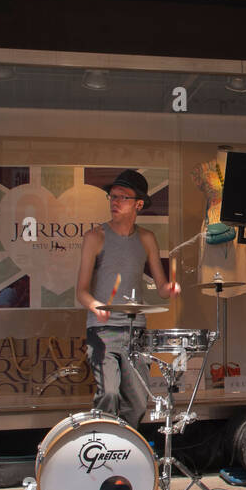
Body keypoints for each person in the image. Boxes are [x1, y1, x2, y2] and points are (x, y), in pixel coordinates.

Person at [75, 170, 179, 424]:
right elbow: (81, 291)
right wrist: (95, 305)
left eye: (123, 197)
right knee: (109, 393)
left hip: (136, 330)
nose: (115, 202)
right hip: (103, 330)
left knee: (138, 401)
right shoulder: (95, 237)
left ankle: (124, 449)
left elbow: (162, 288)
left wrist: (170, 289)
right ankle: (102, 445)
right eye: (113, 196)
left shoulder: (146, 238)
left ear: (138, 204)